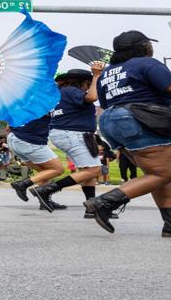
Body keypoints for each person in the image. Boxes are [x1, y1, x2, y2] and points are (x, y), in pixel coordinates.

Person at [83, 30, 171, 238]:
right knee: (162, 174)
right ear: (143, 46)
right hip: (143, 118)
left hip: (111, 121)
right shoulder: (146, 63)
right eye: (148, 44)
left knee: (158, 176)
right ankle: (104, 203)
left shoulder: (108, 72)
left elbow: (105, 103)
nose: (151, 48)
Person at [21, 68, 110, 215]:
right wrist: (96, 76)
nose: (89, 87)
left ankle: (91, 207)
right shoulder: (71, 91)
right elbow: (92, 97)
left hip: (69, 133)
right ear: (83, 82)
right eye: (88, 84)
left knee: (88, 172)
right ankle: (47, 189)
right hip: (72, 134)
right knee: (94, 170)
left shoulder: (61, 93)